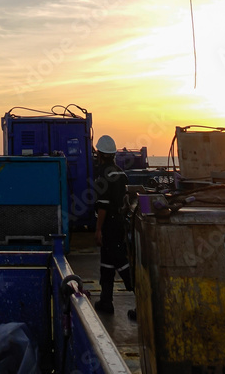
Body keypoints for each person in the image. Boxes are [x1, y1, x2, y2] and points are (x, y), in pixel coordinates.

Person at [93, 134, 133, 315]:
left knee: (121, 262)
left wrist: (99, 229)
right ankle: (106, 301)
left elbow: (103, 206)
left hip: (109, 224)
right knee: (107, 263)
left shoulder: (102, 175)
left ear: (100, 154)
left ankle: (143, 298)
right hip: (120, 222)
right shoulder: (121, 173)